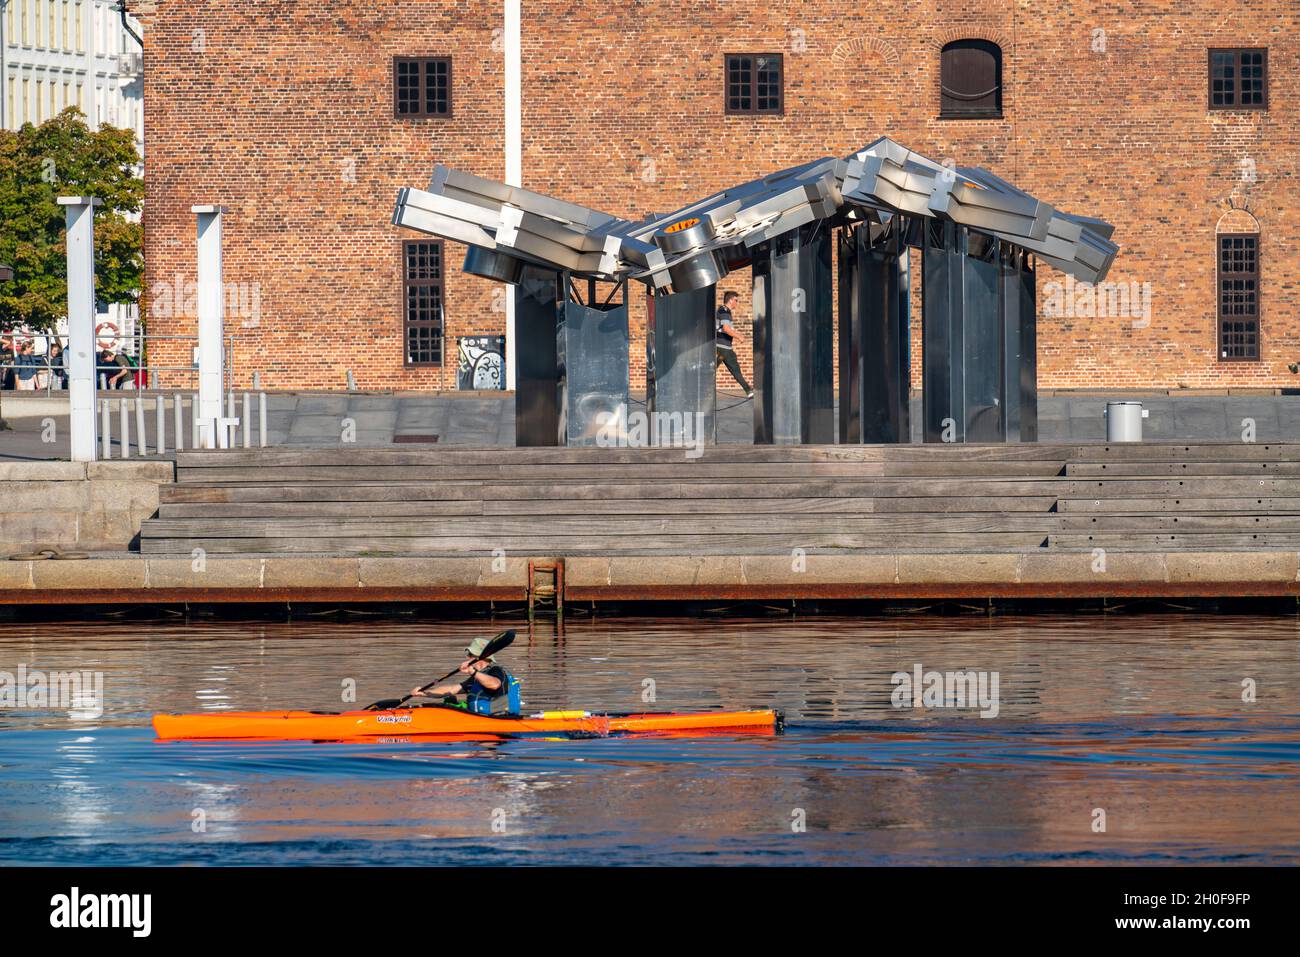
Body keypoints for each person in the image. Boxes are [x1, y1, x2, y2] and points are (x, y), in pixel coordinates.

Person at [409, 636, 522, 715]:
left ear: (480, 657)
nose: (467, 657)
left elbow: (495, 684)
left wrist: (472, 672)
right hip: (480, 721)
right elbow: (452, 689)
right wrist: (424, 693)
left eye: (470, 655)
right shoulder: (478, 677)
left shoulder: (496, 671)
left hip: (499, 720)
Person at [715, 291, 754, 398]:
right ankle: (749, 391)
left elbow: (725, 328)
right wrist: (739, 337)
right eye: (736, 300)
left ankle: (749, 390)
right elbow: (726, 329)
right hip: (722, 348)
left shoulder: (723, 310)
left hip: (723, 347)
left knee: (726, 368)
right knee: (734, 369)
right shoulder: (725, 311)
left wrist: (735, 334)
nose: (737, 303)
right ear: (731, 300)